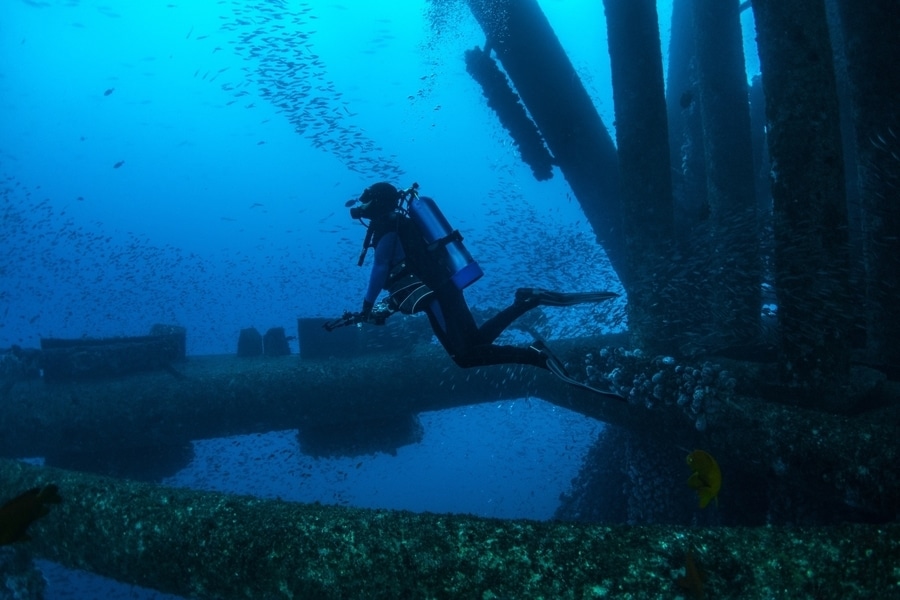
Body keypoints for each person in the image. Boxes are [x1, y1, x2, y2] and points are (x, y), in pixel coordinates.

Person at [343, 181, 624, 400]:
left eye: (367, 198)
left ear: (378, 203)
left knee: (464, 357)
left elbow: (381, 268)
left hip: (435, 295)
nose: (362, 204)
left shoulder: (387, 227)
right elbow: (406, 268)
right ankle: (527, 301)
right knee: (475, 341)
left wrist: (367, 305)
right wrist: (389, 304)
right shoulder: (402, 223)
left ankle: (536, 356)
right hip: (445, 286)